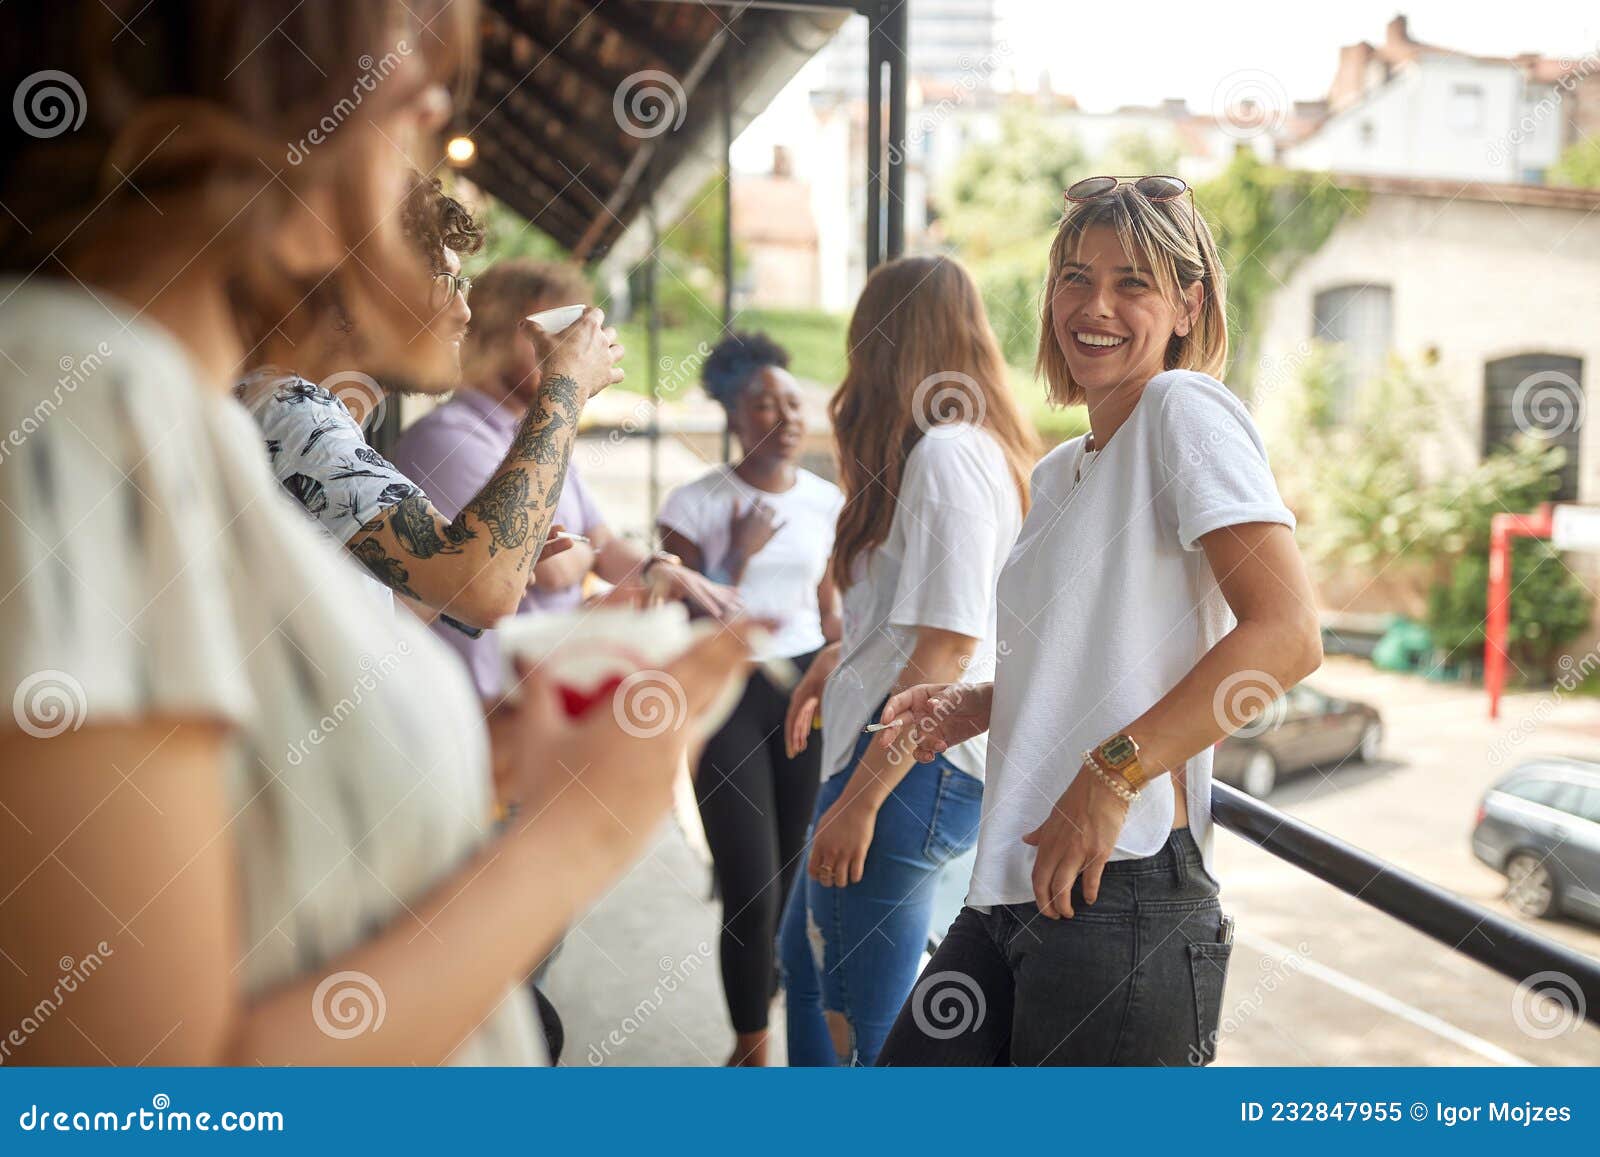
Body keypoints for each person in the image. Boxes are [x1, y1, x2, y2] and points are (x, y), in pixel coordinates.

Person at [0, 0, 755, 1067]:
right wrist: (585, 823)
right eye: (409, 87)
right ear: (263, 126)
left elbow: (257, 831)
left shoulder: (182, 417)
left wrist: (491, 758)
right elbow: (131, 1102)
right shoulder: (72, 398)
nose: (434, 120)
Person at [874, 176, 1322, 1066]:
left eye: (1134, 283)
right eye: (1076, 277)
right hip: (1014, 881)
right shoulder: (1061, 471)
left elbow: (1287, 636)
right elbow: (1104, 651)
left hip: (1123, 893)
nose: (1096, 306)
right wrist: (983, 702)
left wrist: (1112, 775)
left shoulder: (1181, 409)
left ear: (1189, 303)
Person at [776, 256, 1040, 1066]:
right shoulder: (947, 451)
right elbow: (908, 618)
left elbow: (950, 644)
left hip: (905, 766)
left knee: (868, 1024)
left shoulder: (950, 456)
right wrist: (838, 656)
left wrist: (862, 796)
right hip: (887, 752)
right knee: (808, 966)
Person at [235, 176, 587, 630]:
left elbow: (390, 616)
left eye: (462, 286)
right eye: (443, 283)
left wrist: (504, 557)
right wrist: (565, 385)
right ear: (354, 297)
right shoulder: (291, 414)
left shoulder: (302, 417)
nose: (463, 312)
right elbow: (482, 593)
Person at [393, 259, 738, 701]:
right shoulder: (445, 440)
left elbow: (600, 541)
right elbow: (548, 567)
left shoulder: (534, 432)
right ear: (507, 332)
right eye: (558, 331)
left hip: (544, 695)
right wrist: (580, 557)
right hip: (484, 706)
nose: (574, 349)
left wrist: (660, 570)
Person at [655, 332, 844, 1065]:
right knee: (750, 884)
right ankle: (749, 1046)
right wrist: (738, 553)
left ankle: (792, 1027)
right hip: (728, 690)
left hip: (805, 688)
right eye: (766, 402)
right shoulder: (695, 502)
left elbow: (832, 614)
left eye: (794, 401)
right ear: (734, 414)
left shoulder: (827, 500)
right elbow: (681, 617)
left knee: (798, 884)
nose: (787, 414)